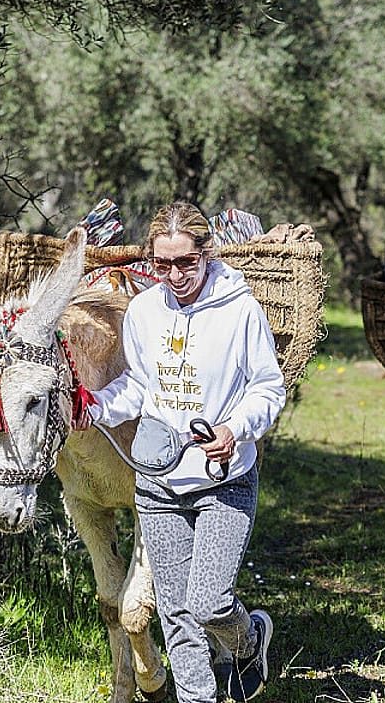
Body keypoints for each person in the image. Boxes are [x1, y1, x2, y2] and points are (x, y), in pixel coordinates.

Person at [87, 202, 287, 703]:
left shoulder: (240, 309)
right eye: (163, 264)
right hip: (159, 481)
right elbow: (136, 386)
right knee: (176, 613)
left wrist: (236, 428)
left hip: (224, 478)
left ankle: (248, 640)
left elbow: (268, 387)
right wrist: (92, 407)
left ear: (207, 253)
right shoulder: (145, 311)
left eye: (186, 263)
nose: (175, 275)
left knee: (209, 602)